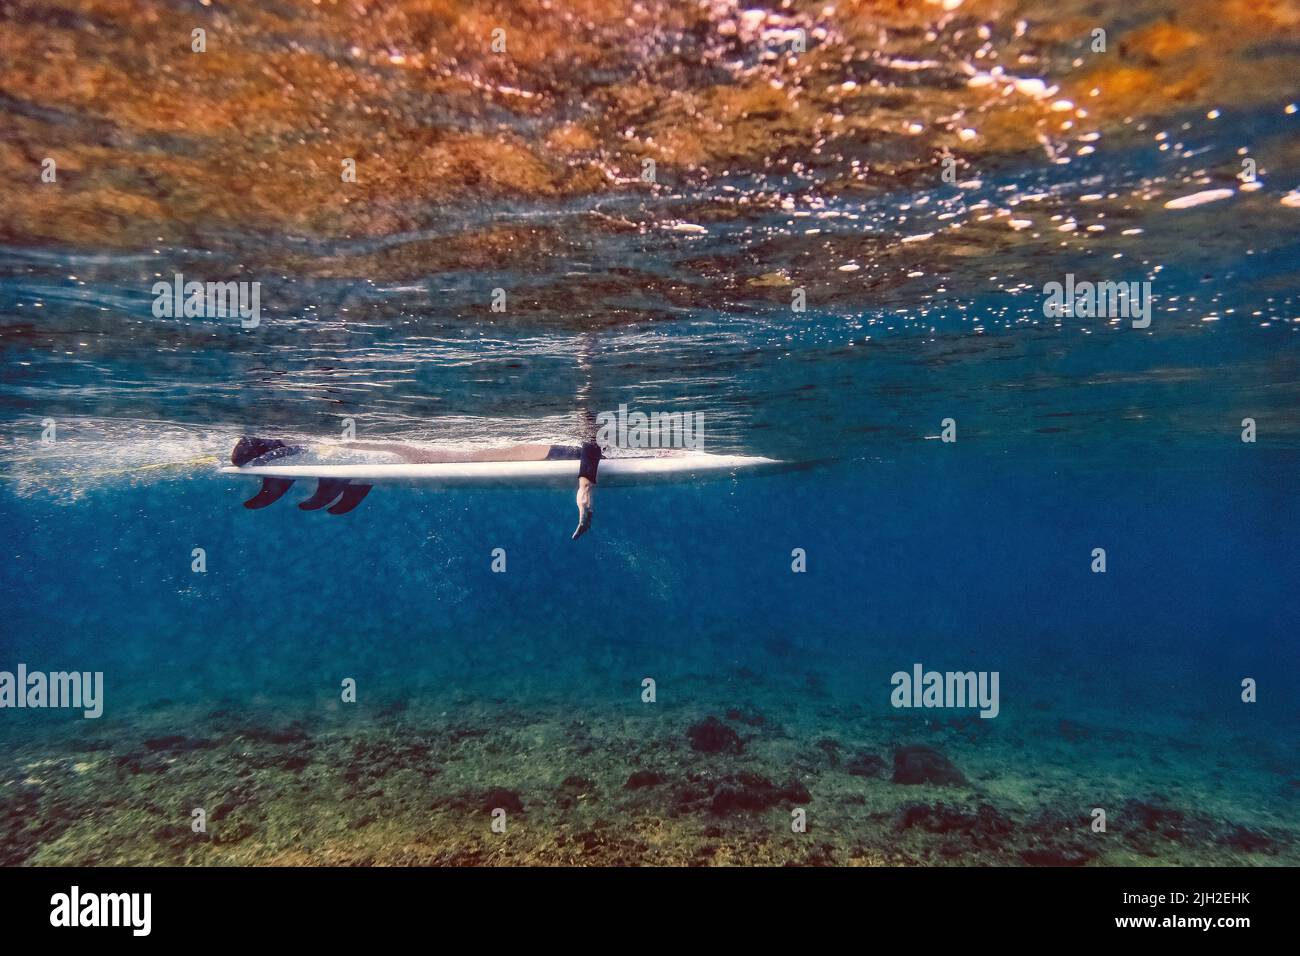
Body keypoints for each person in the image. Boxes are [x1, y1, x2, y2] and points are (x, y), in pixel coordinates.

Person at [231, 436, 602, 538]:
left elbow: (593, 445)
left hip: (531, 450)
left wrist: (585, 485)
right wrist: (585, 487)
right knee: (421, 453)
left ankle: (353, 473)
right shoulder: (625, 437)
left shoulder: (635, 438)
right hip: (534, 450)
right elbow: (592, 445)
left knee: (419, 455)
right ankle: (283, 446)